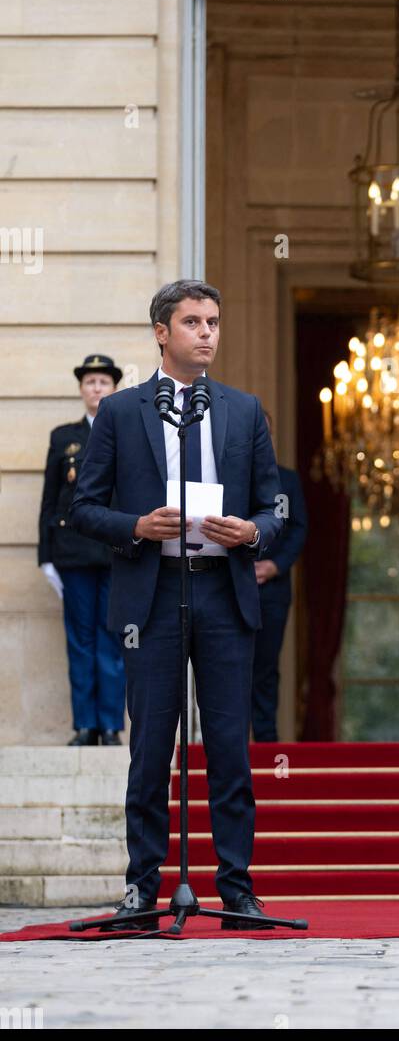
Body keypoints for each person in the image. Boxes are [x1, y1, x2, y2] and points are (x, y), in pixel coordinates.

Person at [69, 279, 284, 930]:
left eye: (213, 321)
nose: (207, 332)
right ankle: (141, 888)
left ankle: (237, 888)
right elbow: (81, 508)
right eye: (193, 321)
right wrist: (138, 526)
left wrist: (251, 532)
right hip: (153, 596)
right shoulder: (122, 411)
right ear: (162, 332)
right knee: (151, 747)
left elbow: (275, 507)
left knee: (228, 746)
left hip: (224, 593)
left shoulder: (245, 411)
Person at [38, 355, 126, 746]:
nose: (96, 388)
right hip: (72, 552)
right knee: (80, 641)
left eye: (103, 382)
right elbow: (49, 499)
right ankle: (85, 725)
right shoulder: (63, 437)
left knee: (111, 639)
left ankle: (109, 725)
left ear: (113, 389)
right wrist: (45, 556)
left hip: (113, 553)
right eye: (90, 382)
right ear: (81, 389)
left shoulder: (126, 432)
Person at [250, 411, 308, 742]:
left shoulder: (288, 481)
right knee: (230, 668)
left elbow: (299, 529)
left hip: (272, 589)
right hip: (232, 585)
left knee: (266, 668)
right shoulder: (228, 477)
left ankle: (266, 742)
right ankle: (230, 745)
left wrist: (276, 566)